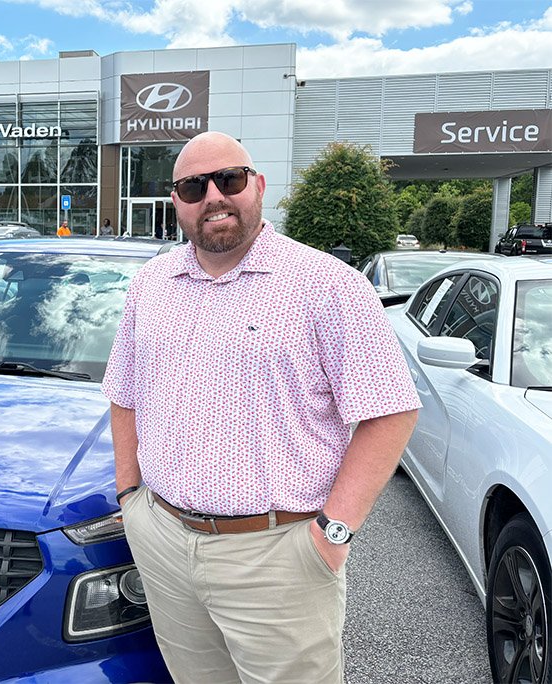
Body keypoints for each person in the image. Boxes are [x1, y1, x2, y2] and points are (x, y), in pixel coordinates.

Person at [102, 131, 420, 684]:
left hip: (279, 555)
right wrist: (131, 500)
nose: (213, 197)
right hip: (165, 542)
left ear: (259, 186)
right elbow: (124, 392)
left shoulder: (327, 285)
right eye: (193, 186)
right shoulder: (152, 284)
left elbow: (389, 411)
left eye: (229, 180)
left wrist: (332, 535)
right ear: (175, 201)